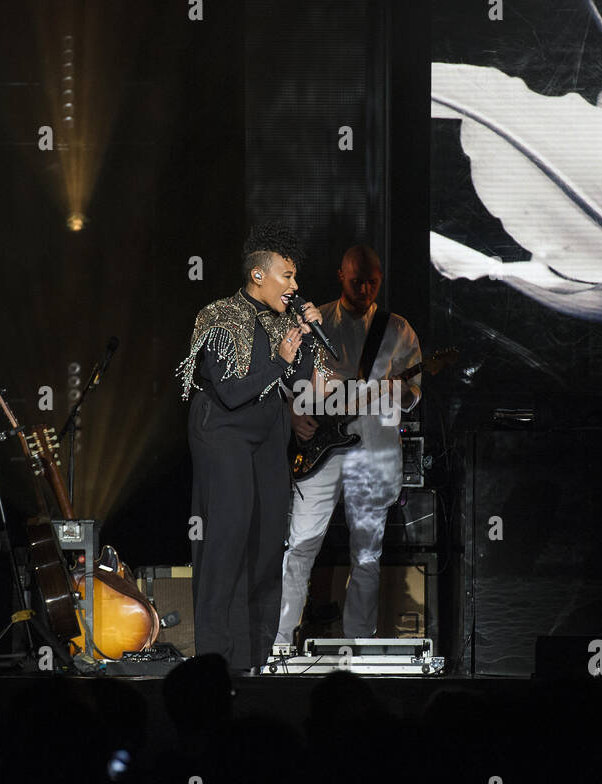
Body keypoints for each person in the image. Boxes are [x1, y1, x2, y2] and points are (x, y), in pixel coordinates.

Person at [176, 223, 326, 673]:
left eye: (296, 277)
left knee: (264, 547)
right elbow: (231, 392)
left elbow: (301, 389)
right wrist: (280, 357)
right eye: (287, 275)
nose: (295, 285)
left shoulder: (285, 323)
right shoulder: (219, 317)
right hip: (222, 434)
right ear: (259, 275)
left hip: (266, 438)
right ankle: (215, 664)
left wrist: (302, 346)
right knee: (225, 544)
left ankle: (254, 661)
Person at [277, 245, 421, 646]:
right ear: (341, 275)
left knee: (368, 555)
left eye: (373, 282)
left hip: (372, 454)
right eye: (357, 281)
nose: (365, 289)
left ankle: (359, 643)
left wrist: (400, 392)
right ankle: (280, 641)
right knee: (300, 548)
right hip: (320, 454)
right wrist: (292, 413)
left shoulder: (398, 329)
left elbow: (414, 394)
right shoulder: (314, 322)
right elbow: (286, 375)